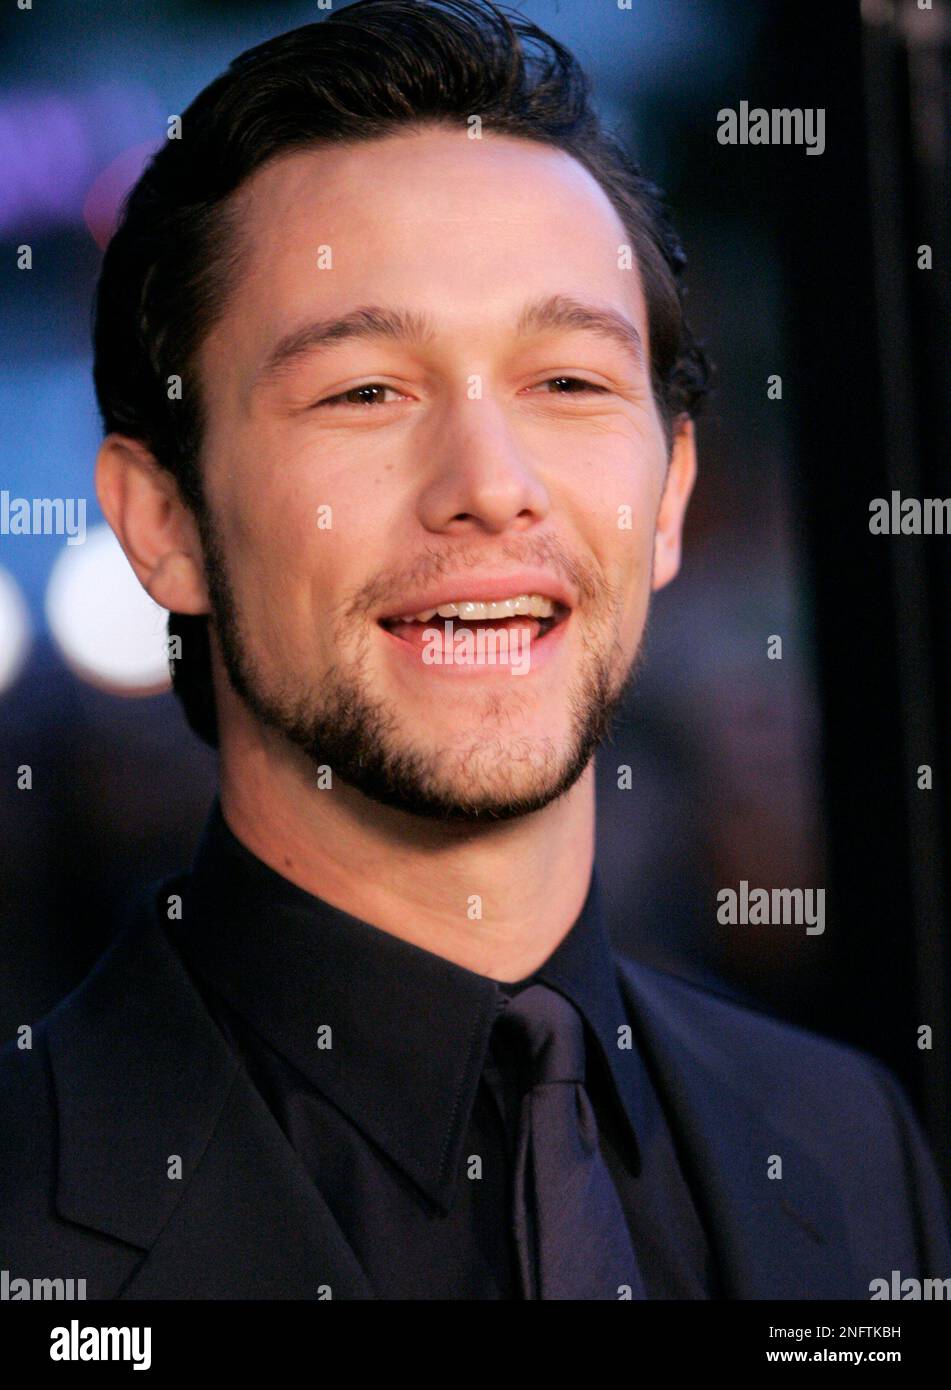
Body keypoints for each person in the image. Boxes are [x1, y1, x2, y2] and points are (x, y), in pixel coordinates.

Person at [1, 0, 948, 1301]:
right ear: (162, 520)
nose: (490, 486)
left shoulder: (851, 1143)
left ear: (668, 497)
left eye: (568, 381)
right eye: (364, 391)